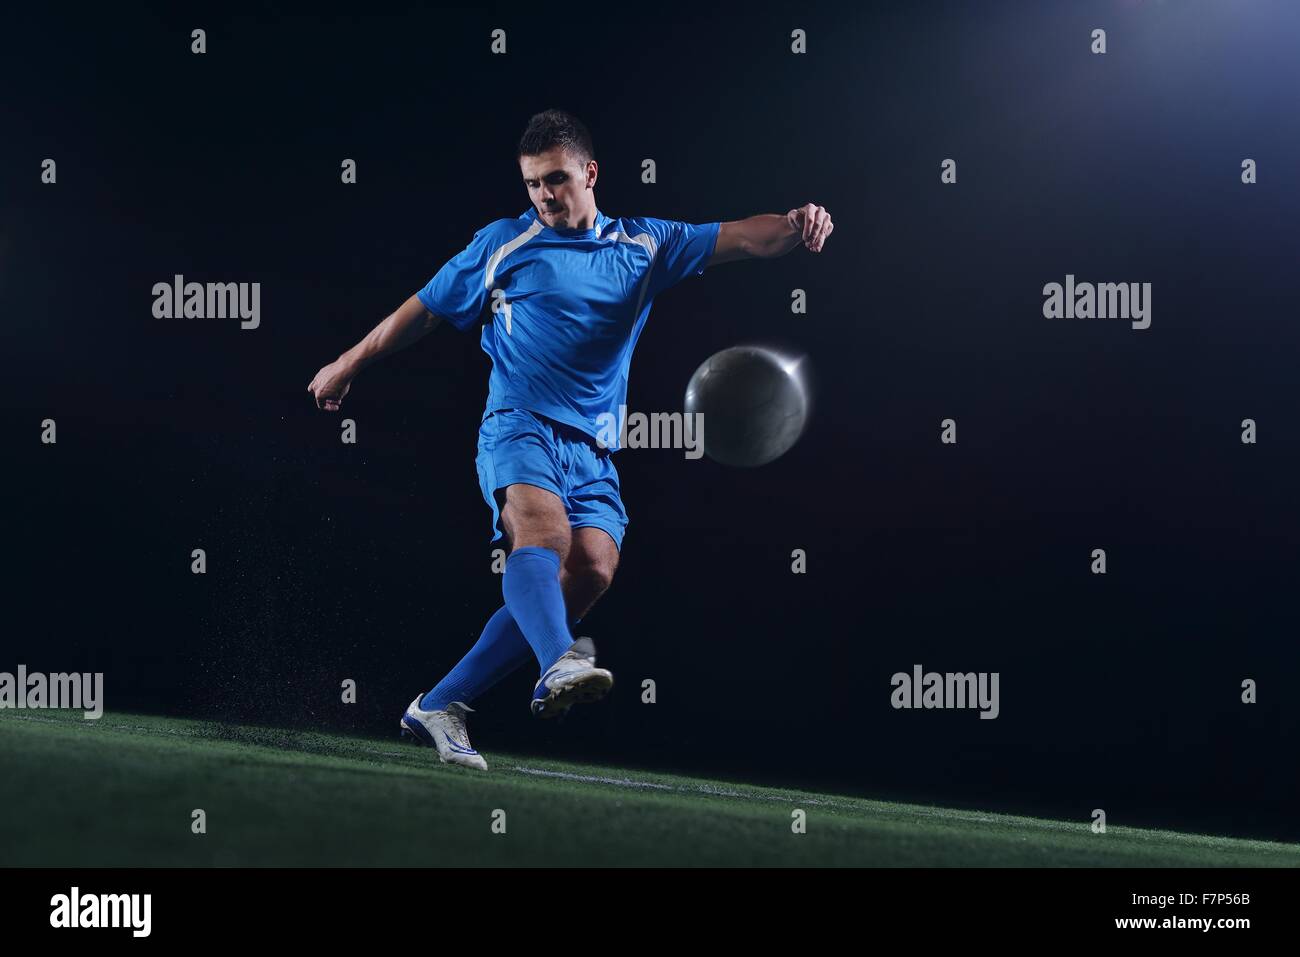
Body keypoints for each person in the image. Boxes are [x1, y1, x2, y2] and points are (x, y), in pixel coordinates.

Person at [307, 109, 833, 770]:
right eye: (532, 184)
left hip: (593, 450)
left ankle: (440, 703)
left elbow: (744, 240)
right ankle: (558, 662)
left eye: (556, 179)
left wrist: (794, 223)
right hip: (517, 424)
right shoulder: (503, 244)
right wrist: (348, 363)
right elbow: (421, 310)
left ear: (589, 173)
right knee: (543, 538)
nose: (545, 195)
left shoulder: (645, 245)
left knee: (591, 569)